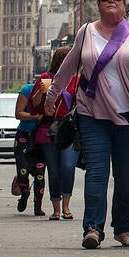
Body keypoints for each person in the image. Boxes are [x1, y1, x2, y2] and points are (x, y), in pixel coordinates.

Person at [45, 0, 129, 249]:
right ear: (98, 4)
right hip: (92, 112)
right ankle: (93, 228)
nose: (111, 0)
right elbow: (67, 67)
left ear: (124, 4)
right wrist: (52, 96)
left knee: (126, 174)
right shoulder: (86, 32)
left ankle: (122, 228)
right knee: (96, 172)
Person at [38, 47, 77, 220]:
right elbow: (34, 105)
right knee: (53, 170)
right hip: (48, 129)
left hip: (69, 128)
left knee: (68, 166)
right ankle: (55, 207)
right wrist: (41, 91)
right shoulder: (45, 79)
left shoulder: (77, 80)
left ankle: (66, 206)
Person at [14, 72, 50, 216]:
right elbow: (18, 114)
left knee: (40, 173)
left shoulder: (52, 91)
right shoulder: (26, 90)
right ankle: (24, 194)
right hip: (24, 135)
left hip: (40, 136)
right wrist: (35, 116)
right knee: (23, 170)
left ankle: (38, 206)